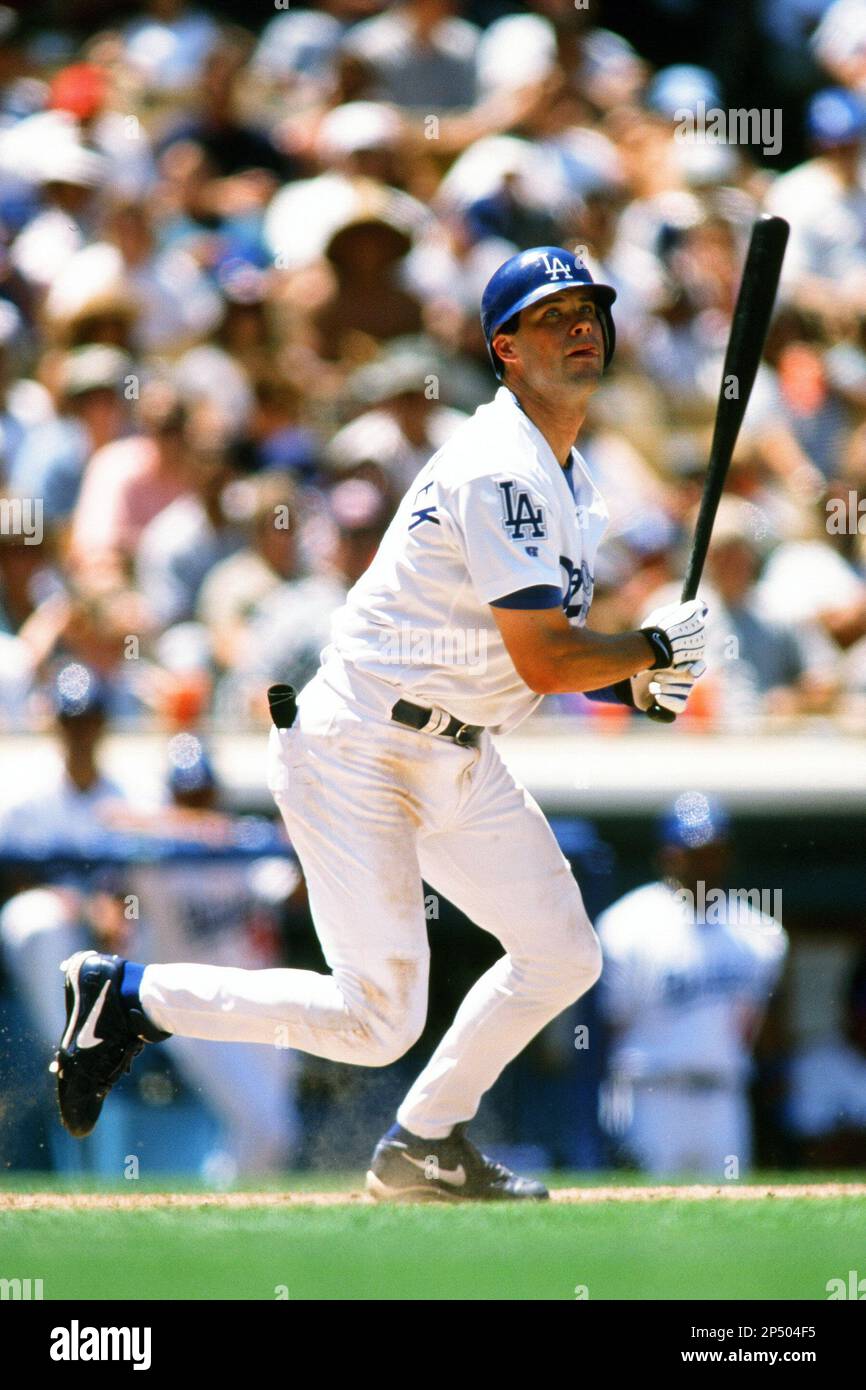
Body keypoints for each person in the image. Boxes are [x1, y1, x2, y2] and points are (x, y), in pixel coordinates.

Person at [50, 245, 708, 1201]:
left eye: (588, 311)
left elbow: (527, 649)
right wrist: (647, 649)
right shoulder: (499, 466)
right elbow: (546, 659)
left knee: (563, 953)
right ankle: (132, 996)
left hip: (456, 751)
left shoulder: (575, 483)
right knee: (378, 1019)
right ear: (504, 348)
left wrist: (638, 685)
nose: (579, 325)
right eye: (551, 314)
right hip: (360, 743)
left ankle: (424, 1143)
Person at [595, 794, 788, 1177]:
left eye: (714, 851)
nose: (705, 863)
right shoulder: (626, 925)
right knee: (645, 1219)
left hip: (724, 1097)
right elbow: (607, 1026)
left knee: (733, 1220)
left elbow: (760, 1028)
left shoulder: (761, 934)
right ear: (668, 855)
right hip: (650, 1096)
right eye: (694, 852)